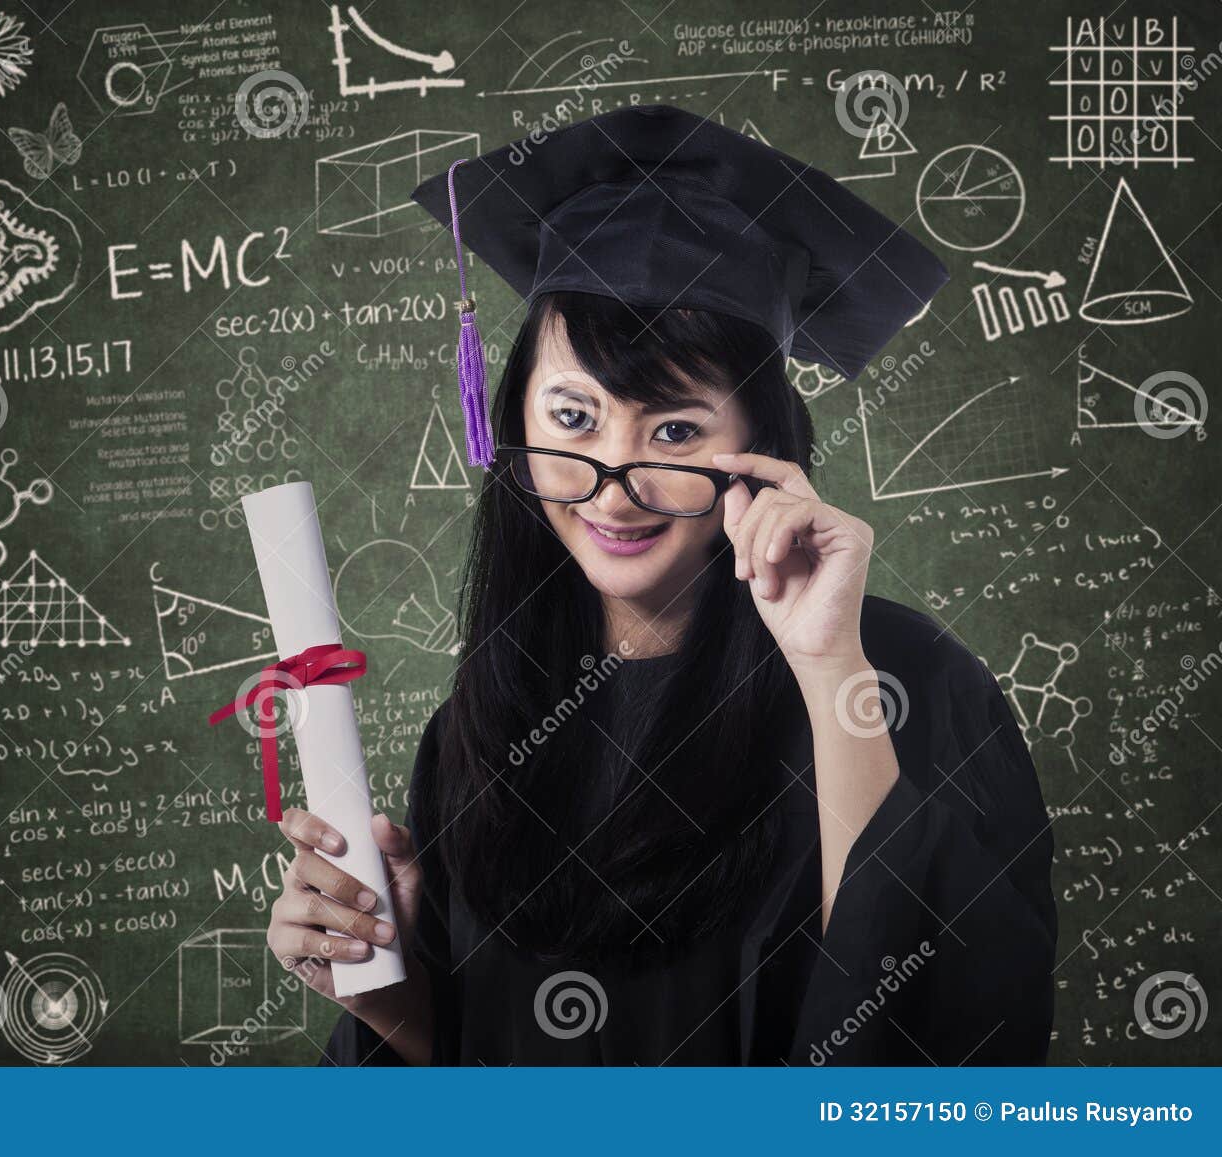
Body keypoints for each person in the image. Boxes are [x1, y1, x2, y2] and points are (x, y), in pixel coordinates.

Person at [266, 105, 1057, 1065]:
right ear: (515, 418)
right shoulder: (482, 724)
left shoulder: (906, 682)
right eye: (575, 415)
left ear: (761, 443)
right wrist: (392, 992)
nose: (614, 482)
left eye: (674, 430)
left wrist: (826, 667)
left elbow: (948, 1042)